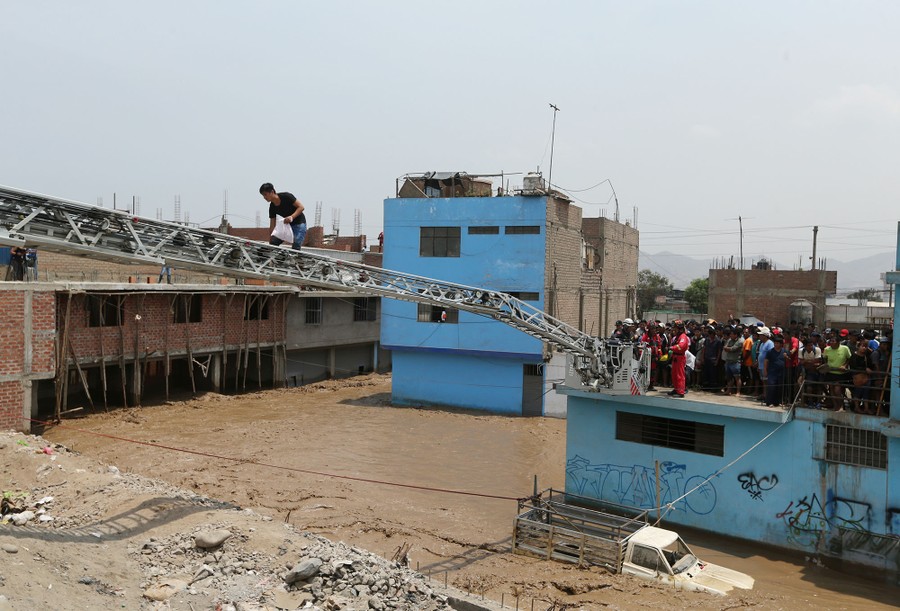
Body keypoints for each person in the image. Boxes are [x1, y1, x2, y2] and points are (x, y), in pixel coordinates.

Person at [260, 182, 307, 250]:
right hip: (287, 226)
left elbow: (301, 207)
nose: (264, 197)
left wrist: (291, 217)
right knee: (274, 242)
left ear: (272, 192)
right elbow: (272, 225)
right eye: (263, 195)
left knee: (296, 244)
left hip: (299, 223)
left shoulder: (286, 196)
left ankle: (295, 256)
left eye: (265, 194)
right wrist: (271, 243)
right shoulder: (272, 207)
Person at [668, 320, 689, 398]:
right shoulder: (678, 336)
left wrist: (671, 348)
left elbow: (681, 346)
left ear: (680, 328)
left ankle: (680, 392)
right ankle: (676, 389)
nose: (674, 330)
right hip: (675, 357)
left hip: (680, 357)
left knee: (679, 375)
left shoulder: (683, 336)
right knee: (674, 374)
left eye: (675, 328)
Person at [764, 335, 786, 407]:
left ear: (781, 344)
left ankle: (778, 402)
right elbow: (766, 361)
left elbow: (788, 359)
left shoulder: (784, 351)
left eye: (777, 343)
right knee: (771, 386)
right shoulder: (770, 351)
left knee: (779, 387)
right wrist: (765, 370)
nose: (776, 344)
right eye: (775, 343)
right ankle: (769, 402)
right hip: (772, 372)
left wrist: (786, 357)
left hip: (781, 372)